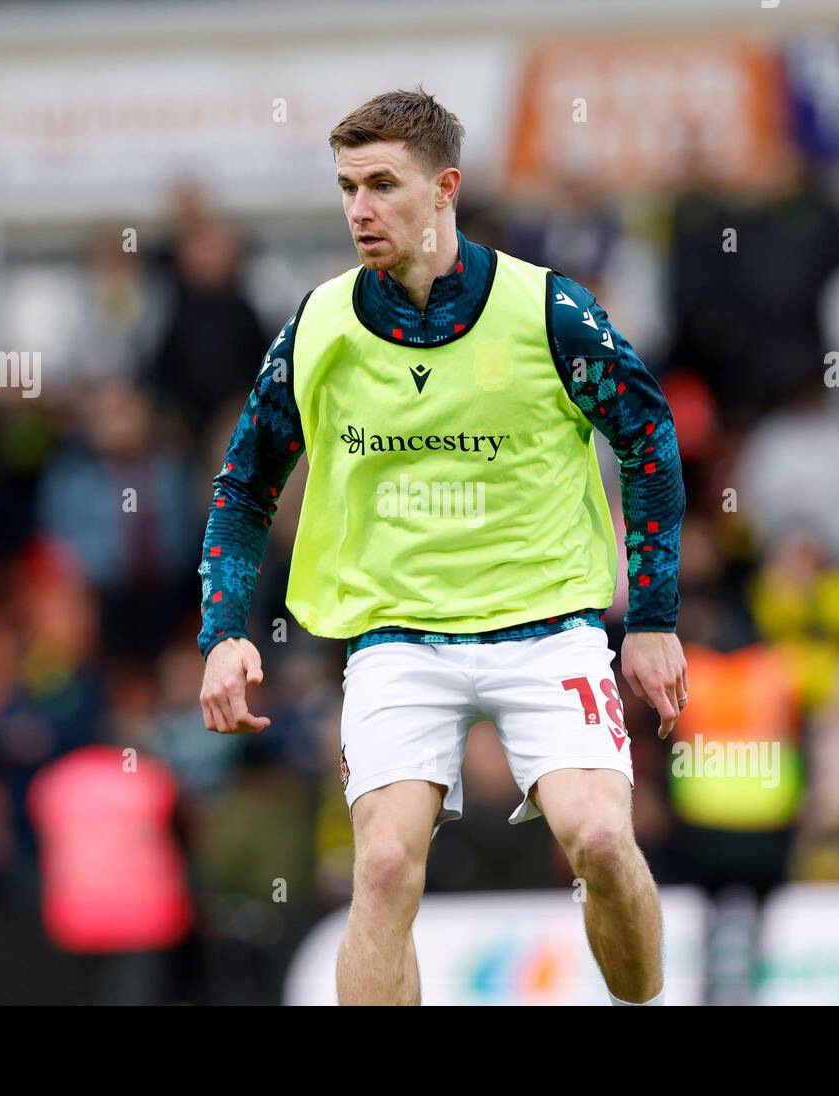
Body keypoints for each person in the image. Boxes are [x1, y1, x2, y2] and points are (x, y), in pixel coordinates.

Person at [196, 86, 687, 1006]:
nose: (359, 209)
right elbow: (244, 486)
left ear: (445, 188)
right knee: (382, 865)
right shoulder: (320, 326)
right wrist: (224, 631)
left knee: (603, 843)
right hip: (396, 638)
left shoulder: (550, 313)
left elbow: (650, 441)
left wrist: (654, 618)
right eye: (347, 187)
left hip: (548, 629)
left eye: (383, 184)